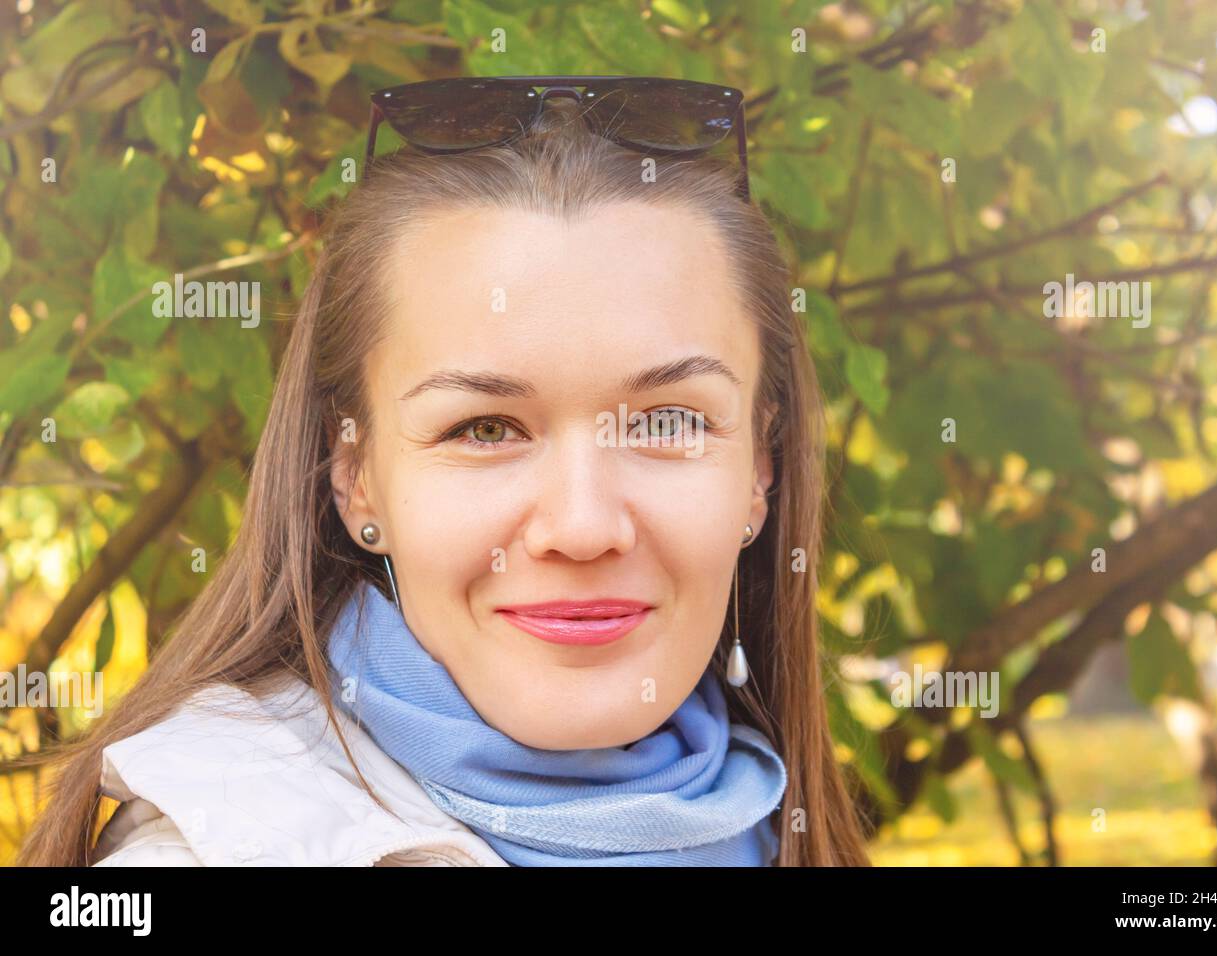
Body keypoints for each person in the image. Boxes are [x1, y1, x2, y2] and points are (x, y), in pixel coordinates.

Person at [18, 79, 871, 866]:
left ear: (759, 469)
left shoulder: (775, 828)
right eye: (485, 427)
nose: (581, 525)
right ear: (357, 478)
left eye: (667, 422)